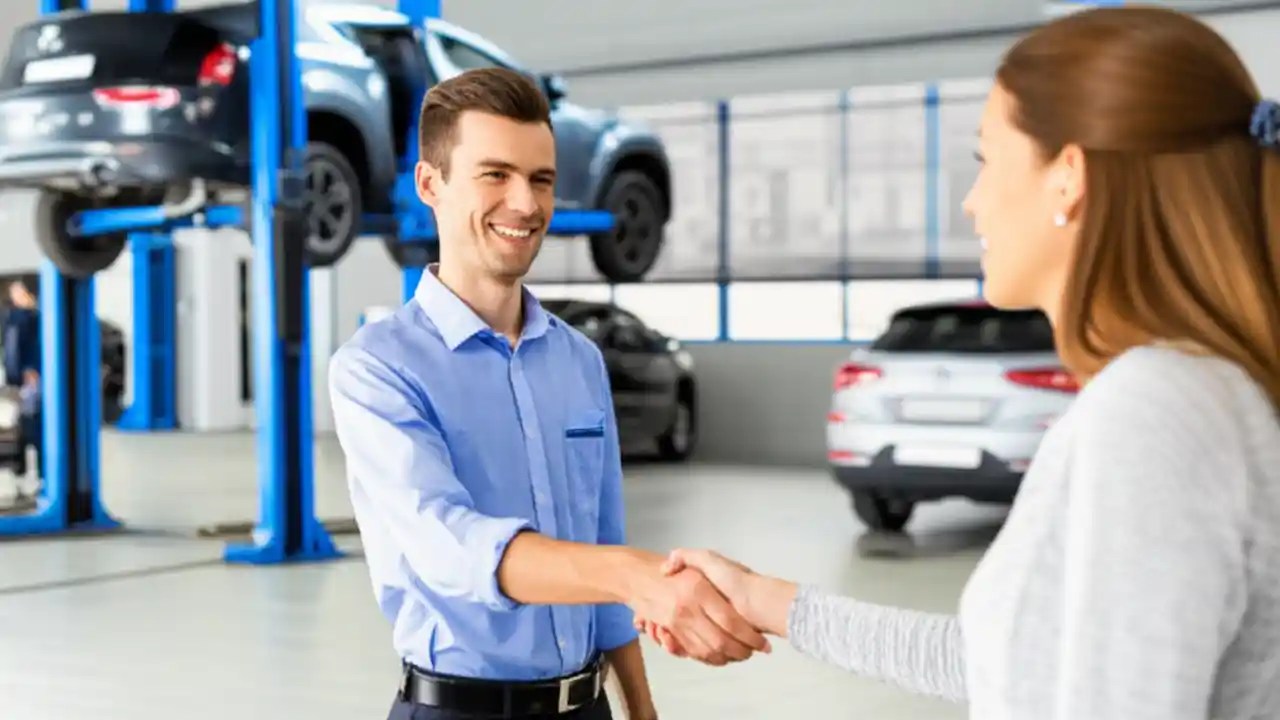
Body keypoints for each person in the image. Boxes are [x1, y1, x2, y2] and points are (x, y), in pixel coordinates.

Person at [636, 7, 1280, 719]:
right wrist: (770, 602)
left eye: (986, 161)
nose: (972, 204)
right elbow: (1008, 662)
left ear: (1068, 175)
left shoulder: (1153, 412)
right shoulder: (1195, 394)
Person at [328, 67, 769, 720]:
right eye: (495, 175)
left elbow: (603, 541)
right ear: (431, 184)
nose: (526, 205)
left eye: (541, 180)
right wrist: (632, 574)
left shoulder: (579, 361)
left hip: (586, 705)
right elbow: (448, 545)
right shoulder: (377, 368)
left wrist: (641, 710)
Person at [3, 278, 41, 494]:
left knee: (29, 428)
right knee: (24, 428)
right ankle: (21, 474)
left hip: (29, 381)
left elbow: (17, 349)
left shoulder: (28, 318)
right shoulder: (16, 317)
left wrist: (26, 370)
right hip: (23, 382)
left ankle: (25, 475)